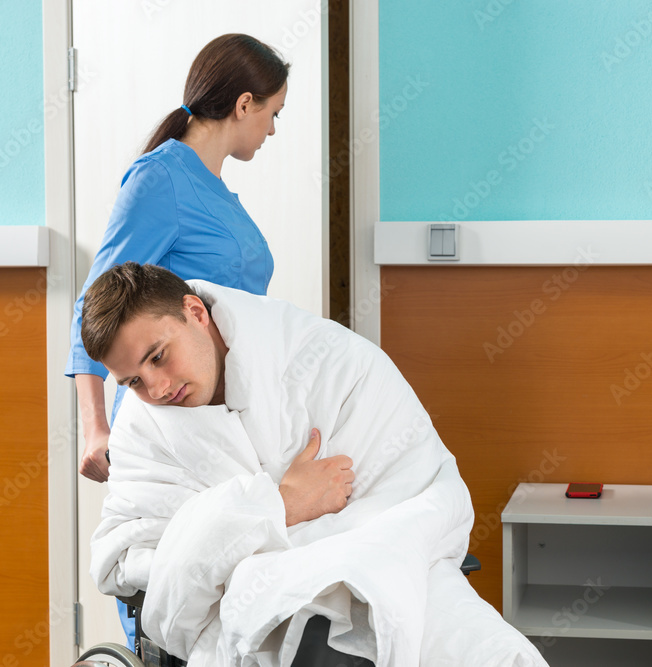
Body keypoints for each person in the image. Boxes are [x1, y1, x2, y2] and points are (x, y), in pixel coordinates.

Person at [82, 262, 548, 667]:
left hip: (379, 546)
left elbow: (412, 484)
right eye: (133, 382)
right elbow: (127, 557)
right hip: (254, 594)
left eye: (158, 357)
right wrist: (278, 505)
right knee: (317, 628)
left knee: (483, 651)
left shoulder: (320, 354)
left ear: (196, 312)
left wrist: (250, 532)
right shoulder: (142, 428)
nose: (157, 389)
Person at [66, 33, 289, 485]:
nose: (272, 130)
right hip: (168, 415)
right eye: (273, 113)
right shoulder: (160, 179)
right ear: (245, 104)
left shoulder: (218, 192)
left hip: (222, 409)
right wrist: (94, 429)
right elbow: (92, 305)